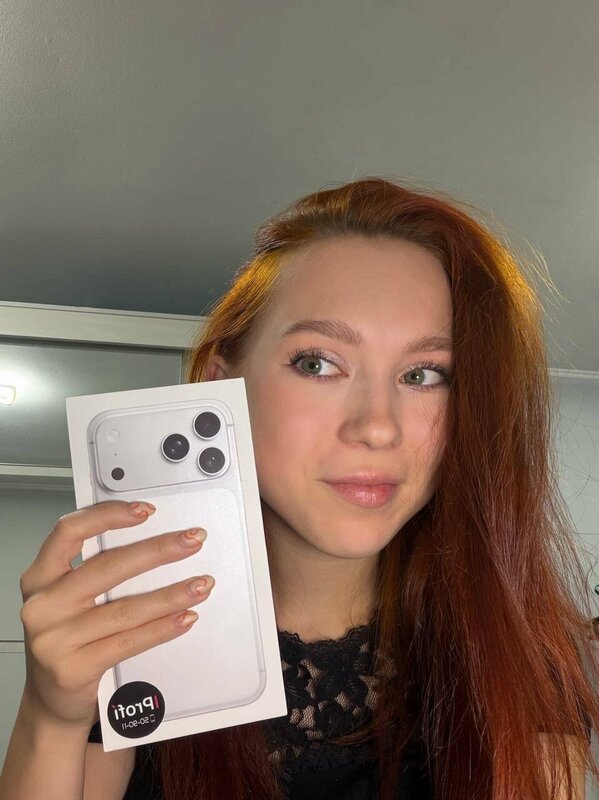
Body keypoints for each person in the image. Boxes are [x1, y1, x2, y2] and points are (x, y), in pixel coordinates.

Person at [1, 177, 597, 800]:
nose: (378, 427)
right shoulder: (135, 645)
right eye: (318, 364)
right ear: (221, 386)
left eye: (424, 375)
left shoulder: (523, 665)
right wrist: (49, 719)